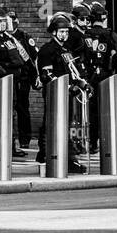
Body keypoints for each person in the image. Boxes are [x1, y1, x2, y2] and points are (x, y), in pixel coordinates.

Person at [36, 14, 90, 174]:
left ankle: (69, 158)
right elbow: (47, 75)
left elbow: (74, 71)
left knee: (67, 125)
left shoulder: (67, 50)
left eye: (66, 32)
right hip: (55, 94)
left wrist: (82, 83)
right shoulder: (48, 49)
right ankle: (46, 154)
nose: (64, 35)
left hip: (69, 95)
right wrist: (66, 87)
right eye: (61, 31)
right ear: (53, 32)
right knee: (51, 123)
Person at [0, 9, 31, 158]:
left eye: (5, 21)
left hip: (14, 81)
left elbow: (24, 57)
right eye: (1, 21)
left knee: (11, 114)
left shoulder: (8, 38)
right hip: (0, 82)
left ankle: (12, 145)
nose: (4, 24)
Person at [81, 1, 117, 154]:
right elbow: (115, 57)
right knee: (106, 109)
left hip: (88, 75)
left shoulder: (85, 34)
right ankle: (106, 141)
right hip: (105, 75)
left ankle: (90, 142)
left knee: (89, 109)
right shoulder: (111, 35)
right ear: (104, 18)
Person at [8, 9, 40, 151]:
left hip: (23, 78)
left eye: (14, 19)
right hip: (7, 78)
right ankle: (10, 141)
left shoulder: (24, 37)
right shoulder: (0, 37)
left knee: (22, 109)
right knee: (8, 111)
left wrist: (36, 77)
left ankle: (24, 139)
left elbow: (34, 58)